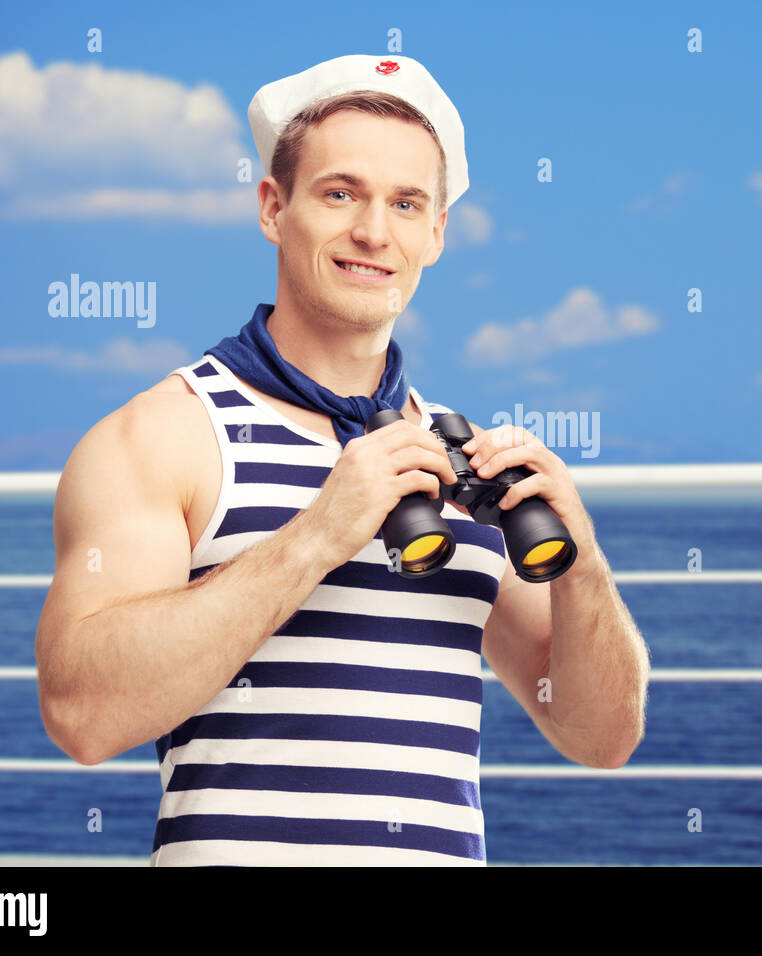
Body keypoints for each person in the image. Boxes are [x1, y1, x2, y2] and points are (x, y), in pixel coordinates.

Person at [34, 54, 650, 865]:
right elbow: (82, 714)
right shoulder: (165, 435)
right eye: (340, 194)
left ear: (435, 234)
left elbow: (599, 737)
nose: (373, 232)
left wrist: (584, 566)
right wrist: (320, 533)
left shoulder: (459, 463)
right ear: (272, 207)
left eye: (405, 204)